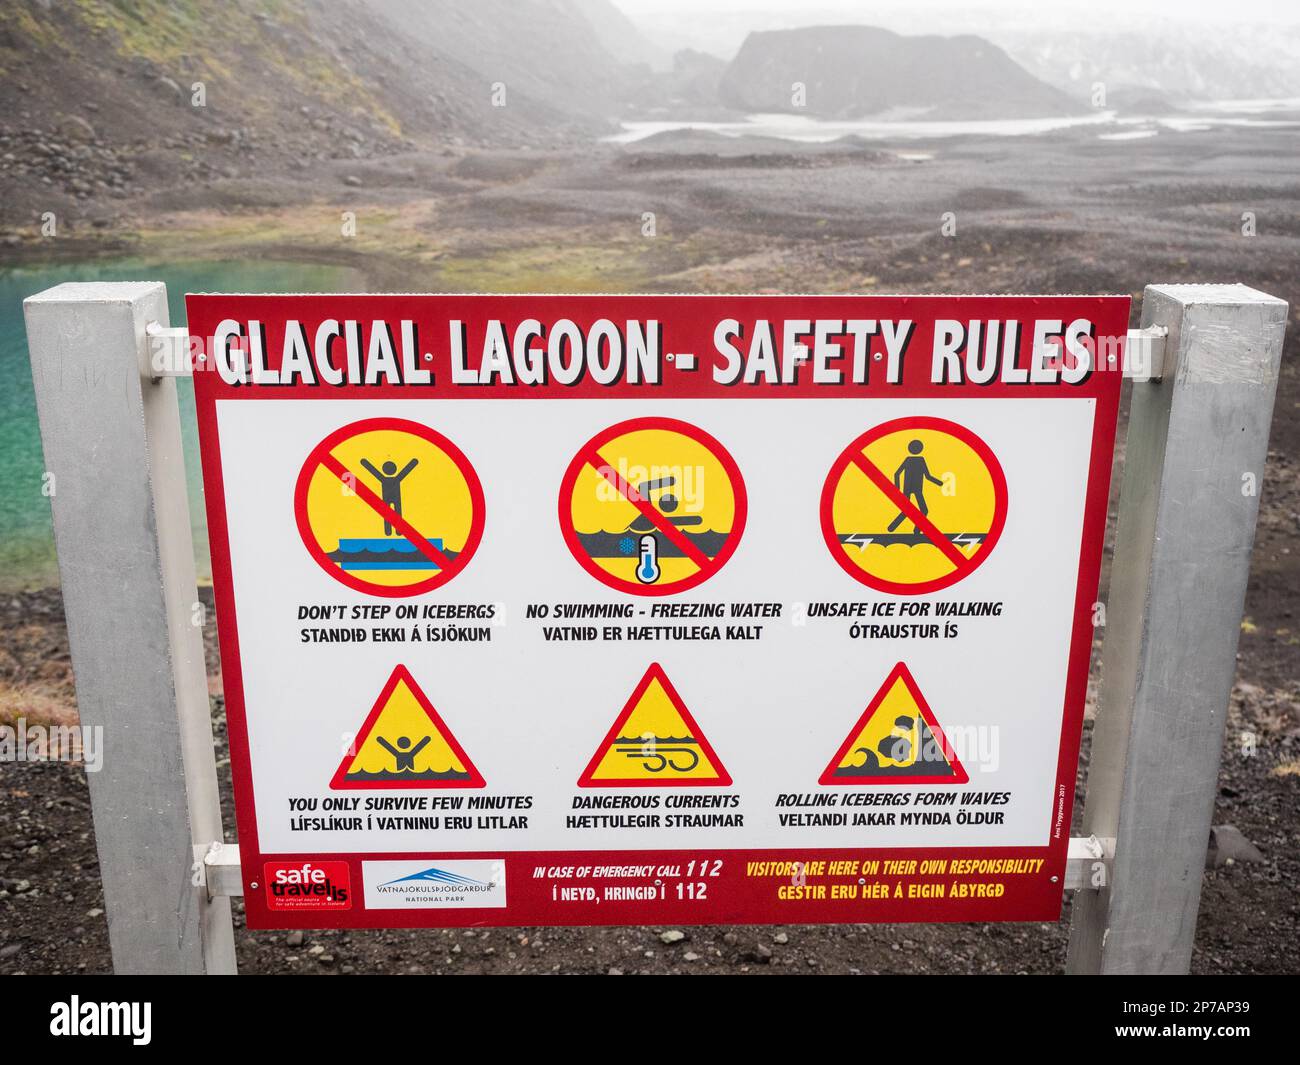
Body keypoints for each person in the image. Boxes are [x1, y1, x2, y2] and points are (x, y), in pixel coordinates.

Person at [887, 439, 944, 532]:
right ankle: (915, 531)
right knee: (923, 510)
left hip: (910, 490)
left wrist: (897, 488)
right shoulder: (920, 460)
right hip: (916, 489)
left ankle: (896, 528)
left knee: (909, 510)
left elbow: (897, 474)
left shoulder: (909, 460)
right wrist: (939, 483)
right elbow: (928, 476)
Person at [359, 457, 418, 535]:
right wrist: (414, 462)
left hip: (392, 496)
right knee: (392, 513)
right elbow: (406, 470)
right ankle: (393, 532)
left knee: (392, 514)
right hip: (390, 496)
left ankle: (392, 532)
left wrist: (364, 462)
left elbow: (374, 471)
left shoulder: (386, 479)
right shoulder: (396, 479)